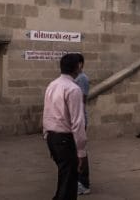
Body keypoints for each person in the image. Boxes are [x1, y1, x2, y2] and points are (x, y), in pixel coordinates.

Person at [43, 53, 88, 200]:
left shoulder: (52, 85)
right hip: (65, 139)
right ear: (77, 67)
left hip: (52, 136)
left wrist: (46, 135)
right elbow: (78, 122)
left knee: (65, 176)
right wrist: (81, 151)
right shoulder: (73, 89)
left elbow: (47, 112)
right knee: (68, 182)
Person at [74, 55, 91, 196]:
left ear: (80, 64)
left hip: (80, 120)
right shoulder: (75, 78)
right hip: (75, 120)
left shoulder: (82, 79)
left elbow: (82, 100)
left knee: (81, 151)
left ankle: (84, 183)